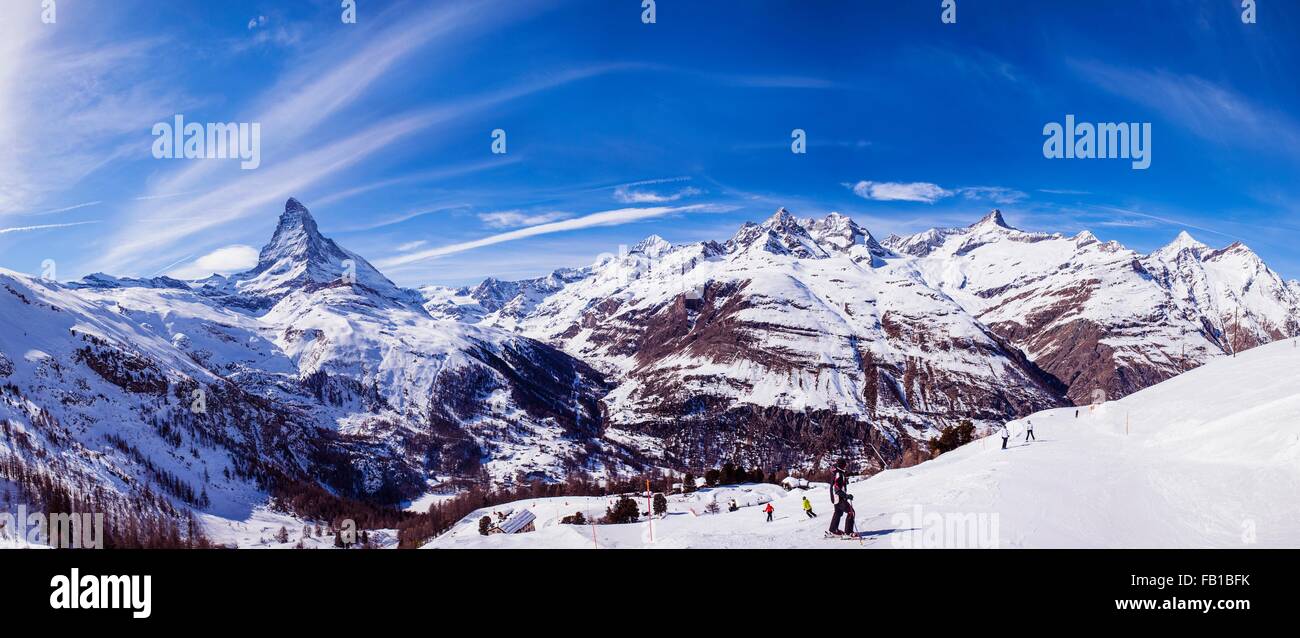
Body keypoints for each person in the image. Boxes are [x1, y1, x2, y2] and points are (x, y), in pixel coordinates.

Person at [827, 460, 855, 536]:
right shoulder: (839, 474)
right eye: (845, 465)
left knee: (838, 513)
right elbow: (837, 489)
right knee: (851, 512)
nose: (846, 466)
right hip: (839, 498)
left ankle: (833, 530)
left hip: (836, 498)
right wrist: (846, 496)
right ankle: (848, 532)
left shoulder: (836, 473)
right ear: (842, 466)